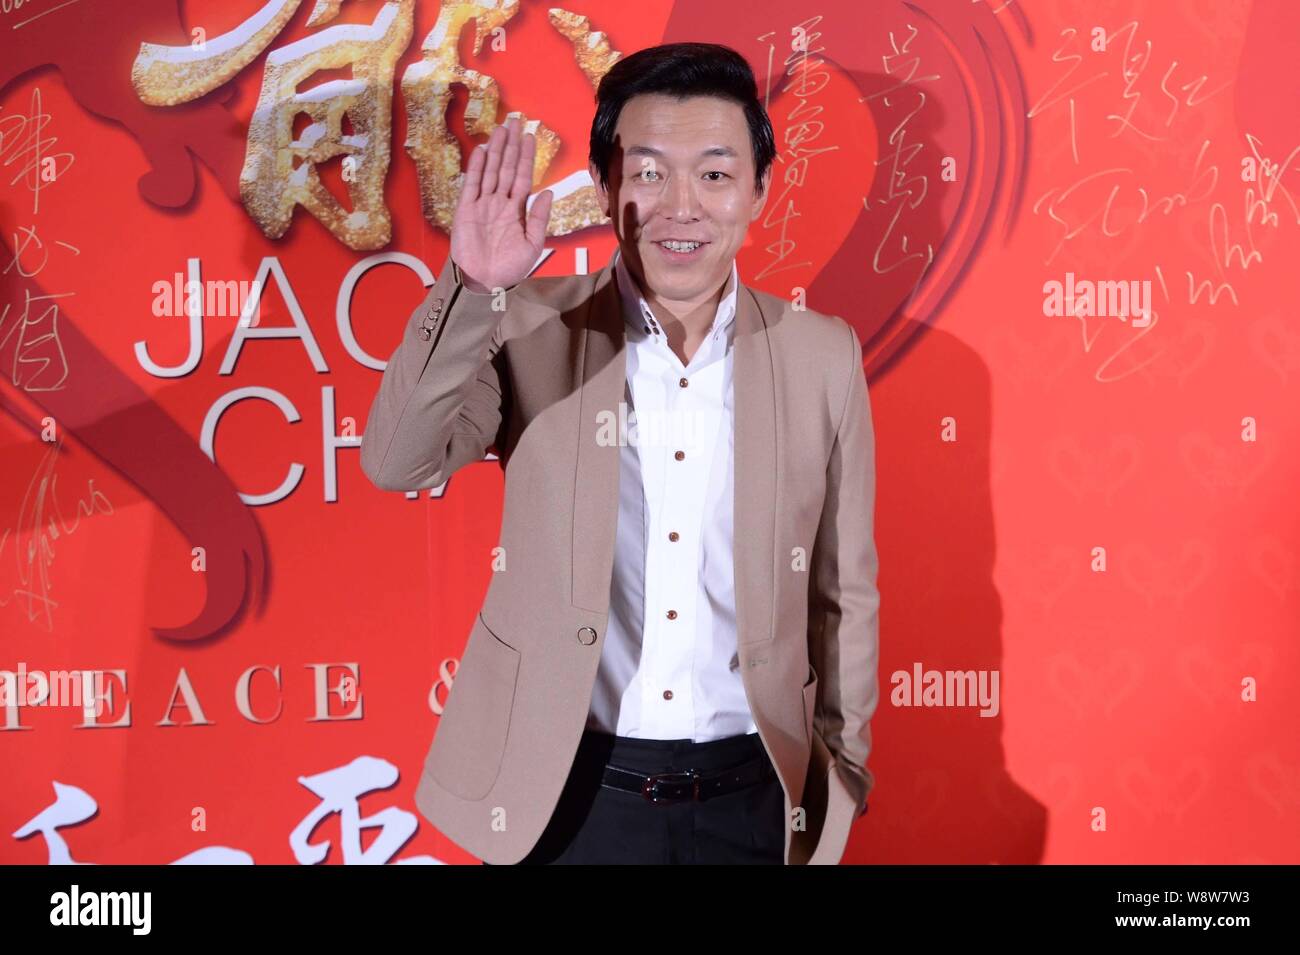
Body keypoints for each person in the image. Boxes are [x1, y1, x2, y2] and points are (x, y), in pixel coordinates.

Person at [360, 42, 880, 864]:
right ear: (605, 188)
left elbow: (841, 587)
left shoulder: (822, 353)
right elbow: (396, 460)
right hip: (567, 796)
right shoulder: (529, 325)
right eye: (647, 172)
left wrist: (840, 774)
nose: (682, 206)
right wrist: (472, 286)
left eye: (714, 173)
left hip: (754, 794)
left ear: (759, 190)